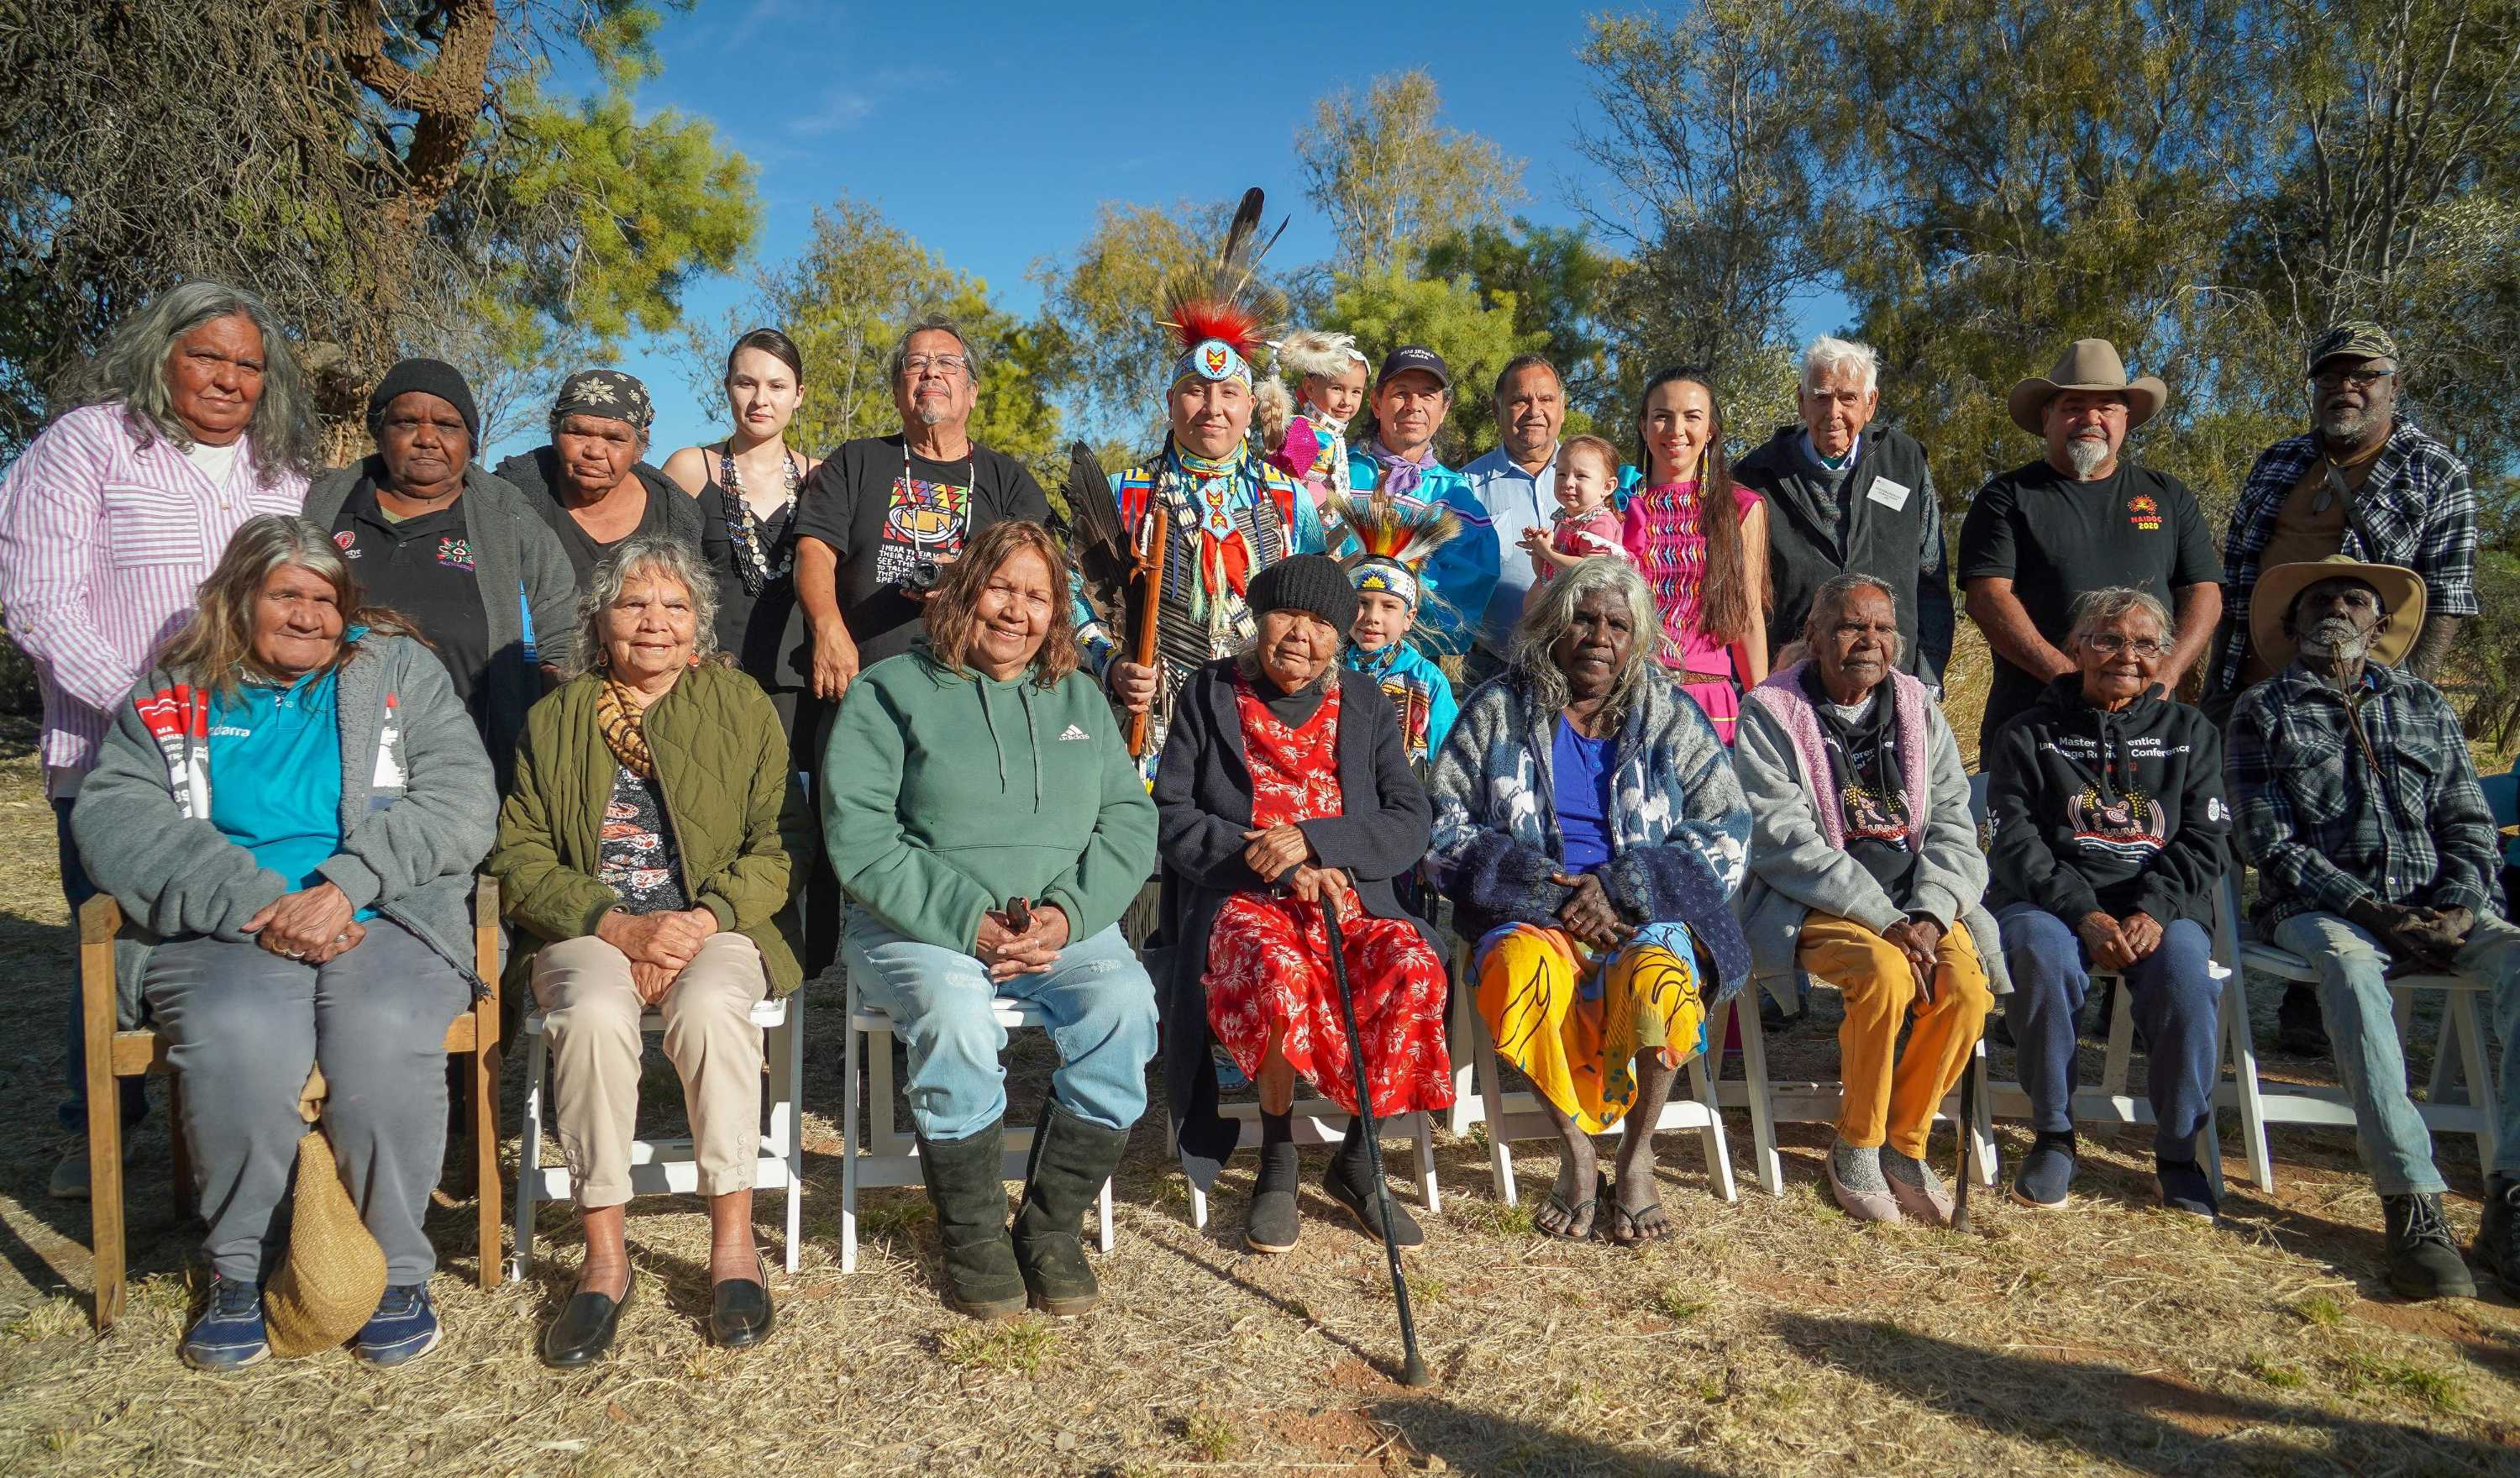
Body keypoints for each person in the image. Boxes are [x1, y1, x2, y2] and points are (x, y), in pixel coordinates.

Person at [71, 514, 496, 1370]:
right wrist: (260, 904)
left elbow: (460, 798)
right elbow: (117, 819)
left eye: (325, 599)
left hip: (387, 909)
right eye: (285, 595)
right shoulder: (174, 689)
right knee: (239, 1034)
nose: (307, 615)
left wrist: (346, 885)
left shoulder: (397, 673)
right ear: (239, 598)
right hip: (227, 921)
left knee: (382, 1030)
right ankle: (240, 1267)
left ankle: (394, 1268)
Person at [0, 280, 316, 1200]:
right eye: (207, 356)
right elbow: (38, 601)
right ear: (161, 352)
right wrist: (150, 715)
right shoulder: (88, 446)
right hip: (115, 758)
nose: (228, 378)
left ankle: (225, 1122)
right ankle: (96, 1122)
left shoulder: (280, 470)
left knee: (246, 933)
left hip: (254, 764)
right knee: (117, 941)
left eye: (248, 364)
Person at [487, 535, 809, 1365]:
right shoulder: (554, 718)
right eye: (634, 603)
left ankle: (732, 1242)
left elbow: (782, 842)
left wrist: (701, 921)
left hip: (714, 924)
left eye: (673, 606)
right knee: (593, 1010)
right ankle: (605, 1255)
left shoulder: (740, 707)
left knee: (708, 1007)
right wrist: (617, 926)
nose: (654, 622)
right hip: (590, 928)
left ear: (698, 626)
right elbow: (519, 855)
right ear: (601, 622)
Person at [827, 522, 1159, 1320]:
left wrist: (1067, 913)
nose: (1016, 611)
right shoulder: (890, 689)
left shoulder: (1081, 696)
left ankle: (1050, 1226)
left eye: (1038, 596)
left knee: (1125, 1011)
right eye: (1001, 587)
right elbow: (862, 832)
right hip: (915, 922)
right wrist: (967, 921)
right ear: (963, 588)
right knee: (956, 1016)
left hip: (1060, 926)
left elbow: (1127, 820)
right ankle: (973, 1231)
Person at [1427, 559, 1754, 1244]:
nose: (1599, 636)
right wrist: (1550, 892)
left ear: (1637, 640)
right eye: (1583, 618)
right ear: (1552, 627)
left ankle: (1637, 1156)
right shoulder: (1496, 709)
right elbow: (1442, 827)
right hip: (1532, 911)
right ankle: (1575, 1151)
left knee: (1661, 975)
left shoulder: (1670, 717)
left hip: (1643, 912)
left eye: (1617, 624)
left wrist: (1625, 888)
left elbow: (1728, 827)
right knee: (1519, 972)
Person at [2228, 556, 2520, 1301]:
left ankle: (2510, 1203)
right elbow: (2271, 843)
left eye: (2354, 599)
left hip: (2440, 904)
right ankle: (2413, 1202)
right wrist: (2371, 910)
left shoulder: (2425, 704)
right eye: (2318, 599)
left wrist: (2458, 902)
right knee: (2355, 973)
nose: (2337, 608)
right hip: (2322, 910)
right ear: (2292, 624)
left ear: (2380, 623)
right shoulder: (2262, 709)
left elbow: (2469, 819)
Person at [1153, 555, 1452, 1253]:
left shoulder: (1366, 702)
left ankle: (1360, 1156)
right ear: (1260, 617)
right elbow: (1172, 815)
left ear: (1340, 639)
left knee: (1413, 964)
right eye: (1289, 615)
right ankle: (1279, 1160)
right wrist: (1271, 861)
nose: (1301, 635)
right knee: (1277, 967)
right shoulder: (1209, 692)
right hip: (1243, 898)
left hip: (1348, 897)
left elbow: (1410, 816)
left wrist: (1316, 844)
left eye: (1322, 624)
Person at [2199, 322, 2481, 1054]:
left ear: (2393, 384)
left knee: (2339, 831)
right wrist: (2220, 683)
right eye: (2330, 377)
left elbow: (2447, 598)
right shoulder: (2281, 461)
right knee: (2215, 837)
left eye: (2363, 376)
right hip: (2257, 684)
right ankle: (2190, 996)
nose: (2345, 388)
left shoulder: (2433, 471)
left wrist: (2398, 698)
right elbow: (2236, 582)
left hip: (2365, 698)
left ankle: (2310, 1007)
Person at [1735, 574, 2001, 1224]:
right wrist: (1884, 918)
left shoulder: (1917, 705)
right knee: (1884, 975)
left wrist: (1933, 913)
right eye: (1852, 626)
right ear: (1815, 636)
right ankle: (1857, 1142)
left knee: (1966, 989)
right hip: (1818, 900)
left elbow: (1953, 828)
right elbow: (1783, 840)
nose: (1869, 641)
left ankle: (1905, 1144)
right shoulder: (1769, 710)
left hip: (1921, 903)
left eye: (1883, 628)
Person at [1986, 587, 2230, 1217]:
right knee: (2038, 953)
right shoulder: (2027, 734)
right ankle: (2055, 1133)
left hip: (2160, 905)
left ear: (2165, 655)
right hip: (2051, 902)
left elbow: (2208, 839)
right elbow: (2014, 842)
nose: (2128, 655)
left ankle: (2178, 1152)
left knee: (2184, 975)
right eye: (2108, 638)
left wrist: (2155, 908)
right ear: (2076, 648)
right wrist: (2083, 912)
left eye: (2146, 642)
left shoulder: (2190, 732)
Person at [1077, 297, 1320, 779]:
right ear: (1170, 403)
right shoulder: (1127, 493)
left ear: (1251, 406)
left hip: (1265, 721)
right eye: (1195, 391)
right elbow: (1067, 589)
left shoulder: (1288, 500)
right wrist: (1110, 662)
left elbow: (1324, 606)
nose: (1213, 409)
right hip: (1151, 726)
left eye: (1229, 393)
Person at [305, 357, 577, 785]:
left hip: (466, 765)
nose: (427, 439)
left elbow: (560, 627)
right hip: (324, 751)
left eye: (447, 426)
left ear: (470, 440)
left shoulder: (508, 519)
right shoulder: (323, 507)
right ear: (379, 433)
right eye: (407, 422)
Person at [1958, 339, 2222, 737]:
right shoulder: (2007, 497)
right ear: (2047, 418)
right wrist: (2069, 680)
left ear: (2126, 420)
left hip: (2149, 724)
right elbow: (1987, 597)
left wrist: (2163, 679)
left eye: (2106, 407)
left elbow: (2204, 592)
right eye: (2073, 408)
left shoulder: (2167, 495)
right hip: (2036, 724)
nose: (2091, 419)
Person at [792, 316, 1052, 701]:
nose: (931, 371)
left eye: (948, 363)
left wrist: (966, 579)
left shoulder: (1009, 481)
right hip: (863, 688)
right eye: (915, 364)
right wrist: (827, 628)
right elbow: (813, 550)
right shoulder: (856, 460)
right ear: (898, 392)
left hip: (974, 692)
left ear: (973, 392)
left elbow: (1038, 581)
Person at [1732, 335, 1952, 686]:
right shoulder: (1756, 476)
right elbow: (1739, 599)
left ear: (1871, 403)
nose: (1833, 413)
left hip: (1894, 682)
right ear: (1801, 402)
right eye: (1821, 397)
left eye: (1848, 398)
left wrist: (1927, 679)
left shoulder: (1904, 462)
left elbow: (1931, 578)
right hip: (1793, 685)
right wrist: (1757, 688)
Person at [662, 327, 822, 742]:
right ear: (728, 387)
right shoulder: (690, 468)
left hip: (797, 683)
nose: (760, 400)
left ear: (799, 394)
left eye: (777, 385)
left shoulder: (823, 477)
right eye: (746, 383)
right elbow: (658, 574)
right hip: (704, 679)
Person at [1620, 366, 1769, 744]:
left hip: (1711, 705)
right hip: (1626, 699)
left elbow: (1748, 617)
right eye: (1662, 417)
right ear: (1642, 425)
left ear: (1711, 430)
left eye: (1692, 417)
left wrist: (1763, 711)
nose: (1676, 431)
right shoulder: (1617, 505)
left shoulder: (1740, 507)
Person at [1347, 346, 1500, 659]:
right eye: (1401, 393)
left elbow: (1466, 596)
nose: (1413, 406)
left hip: (1408, 666)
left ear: (1444, 410)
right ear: (1376, 403)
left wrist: (1394, 622)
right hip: (1323, 654)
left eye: (1428, 395)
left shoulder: (1456, 498)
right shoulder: (1338, 472)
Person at [495, 369, 706, 591]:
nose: (594, 451)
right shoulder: (506, 498)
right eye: (579, 433)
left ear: (640, 446)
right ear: (555, 435)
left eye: (615, 438)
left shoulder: (674, 514)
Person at [1336, 490, 1462, 769]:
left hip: (1400, 803)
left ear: (1409, 617)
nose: (1372, 617)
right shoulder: (1329, 667)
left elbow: (1450, 758)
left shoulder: (1425, 679)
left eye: (1389, 606)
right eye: (1362, 603)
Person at [1461, 355, 1568, 671]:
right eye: (1520, 400)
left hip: (1578, 670)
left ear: (1562, 409)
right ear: (1497, 410)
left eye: (1546, 399)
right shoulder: (1465, 487)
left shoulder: (1594, 478)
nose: (1535, 411)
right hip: (1494, 667)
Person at [1257, 328, 1370, 539]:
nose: (1347, 401)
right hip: (1297, 533)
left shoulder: (1334, 437)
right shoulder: (1303, 431)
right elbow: (1281, 486)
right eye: (1337, 388)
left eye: (1356, 392)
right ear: (1309, 388)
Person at [1516, 434, 1627, 591]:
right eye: (1561, 474)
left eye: (1581, 476)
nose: (1567, 483)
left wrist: (1549, 553)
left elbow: (1591, 573)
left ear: (1607, 487)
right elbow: (1545, 574)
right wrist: (1539, 550)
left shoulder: (1601, 522)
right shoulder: (1566, 519)